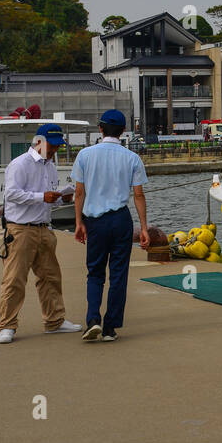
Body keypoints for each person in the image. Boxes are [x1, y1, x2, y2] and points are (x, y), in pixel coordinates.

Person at [0, 123, 81, 344]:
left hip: (44, 227)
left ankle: (55, 321)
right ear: (39, 142)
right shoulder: (20, 164)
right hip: (21, 229)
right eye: (52, 146)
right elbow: (12, 194)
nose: (54, 151)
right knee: (14, 279)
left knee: (50, 277)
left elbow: (47, 195)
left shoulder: (50, 166)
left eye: (57, 147)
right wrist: (42, 197)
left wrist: (62, 198)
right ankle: (6, 326)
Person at [72, 109, 149, 342]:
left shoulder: (85, 155)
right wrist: (144, 227)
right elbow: (138, 195)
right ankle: (110, 327)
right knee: (118, 274)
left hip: (95, 220)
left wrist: (78, 223)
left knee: (95, 272)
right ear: (124, 131)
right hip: (120, 219)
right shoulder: (132, 158)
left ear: (101, 129)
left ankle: (93, 319)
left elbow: (78, 192)